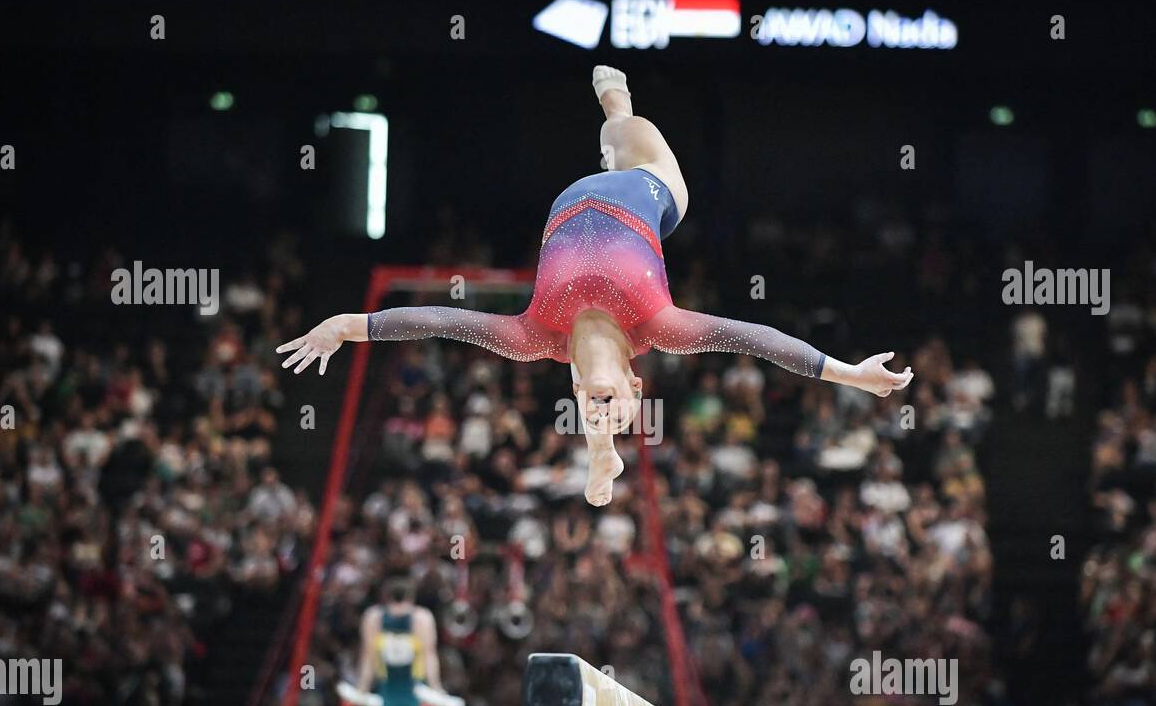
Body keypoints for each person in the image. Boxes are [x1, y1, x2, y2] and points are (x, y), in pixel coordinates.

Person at [278, 66, 913, 505]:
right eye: (615, 407)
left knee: (612, 140)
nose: (601, 400)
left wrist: (348, 325)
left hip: (570, 203)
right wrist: (850, 375)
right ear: (638, 384)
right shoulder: (660, 325)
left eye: (594, 408)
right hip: (654, 191)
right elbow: (757, 339)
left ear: (578, 390)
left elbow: (439, 321)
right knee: (623, 131)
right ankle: (620, 113)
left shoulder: (533, 338)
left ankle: (598, 455)